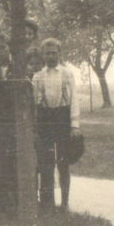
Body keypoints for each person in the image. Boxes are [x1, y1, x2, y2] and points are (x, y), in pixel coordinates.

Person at [33, 37, 78, 210]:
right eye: (47, 53)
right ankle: (48, 203)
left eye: (54, 53)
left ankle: (65, 202)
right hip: (45, 120)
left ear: (59, 54)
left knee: (63, 163)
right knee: (46, 162)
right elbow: (35, 104)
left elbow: (73, 99)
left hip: (62, 119)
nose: (51, 56)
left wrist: (74, 124)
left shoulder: (67, 74)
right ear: (43, 55)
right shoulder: (38, 76)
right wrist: (36, 126)